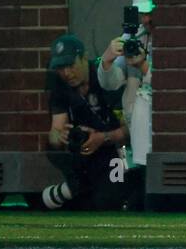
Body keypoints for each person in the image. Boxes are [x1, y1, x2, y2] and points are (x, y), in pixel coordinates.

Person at [42, 33, 130, 211]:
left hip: (118, 151)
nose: (66, 73)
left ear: (84, 57)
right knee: (53, 149)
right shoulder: (60, 85)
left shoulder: (105, 79)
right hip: (87, 151)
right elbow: (55, 130)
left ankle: (84, 190)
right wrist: (61, 135)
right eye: (60, 68)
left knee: (108, 200)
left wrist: (103, 137)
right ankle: (77, 187)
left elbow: (130, 131)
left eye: (70, 65)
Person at [97, 0, 155, 176]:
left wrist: (144, 66)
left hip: (160, 133)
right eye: (142, 13)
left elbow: (177, 83)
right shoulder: (134, 38)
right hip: (135, 131)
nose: (146, 19)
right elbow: (110, 83)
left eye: (151, 13)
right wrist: (107, 59)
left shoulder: (175, 35)